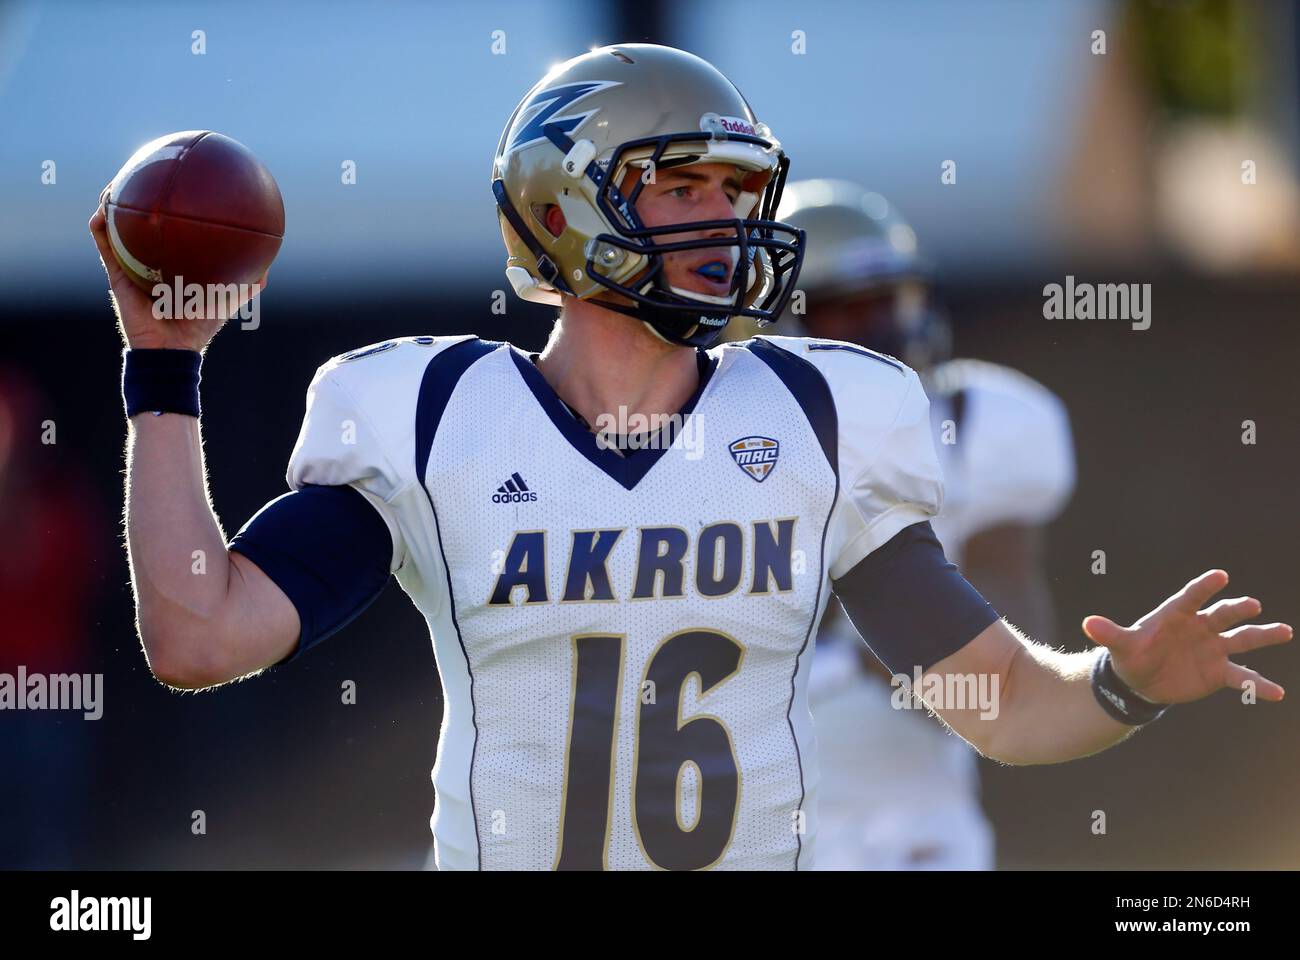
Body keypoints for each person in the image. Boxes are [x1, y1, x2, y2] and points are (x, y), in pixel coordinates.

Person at [89, 43, 1290, 871]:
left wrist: (1123, 685)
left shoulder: (817, 419)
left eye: (740, 186)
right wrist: (165, 364)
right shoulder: (433, 413)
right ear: (565, 200)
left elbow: (1006, 706)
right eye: (683, 185)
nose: (729, 219)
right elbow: (199, 639)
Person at [734, 179, 1076, 869]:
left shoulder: (979, 428)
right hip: (744, 831)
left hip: (914, 836)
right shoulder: (718, 441)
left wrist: (873, 655)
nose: (886, 333)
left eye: (891, 303)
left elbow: (1004, 669)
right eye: (851, 312)